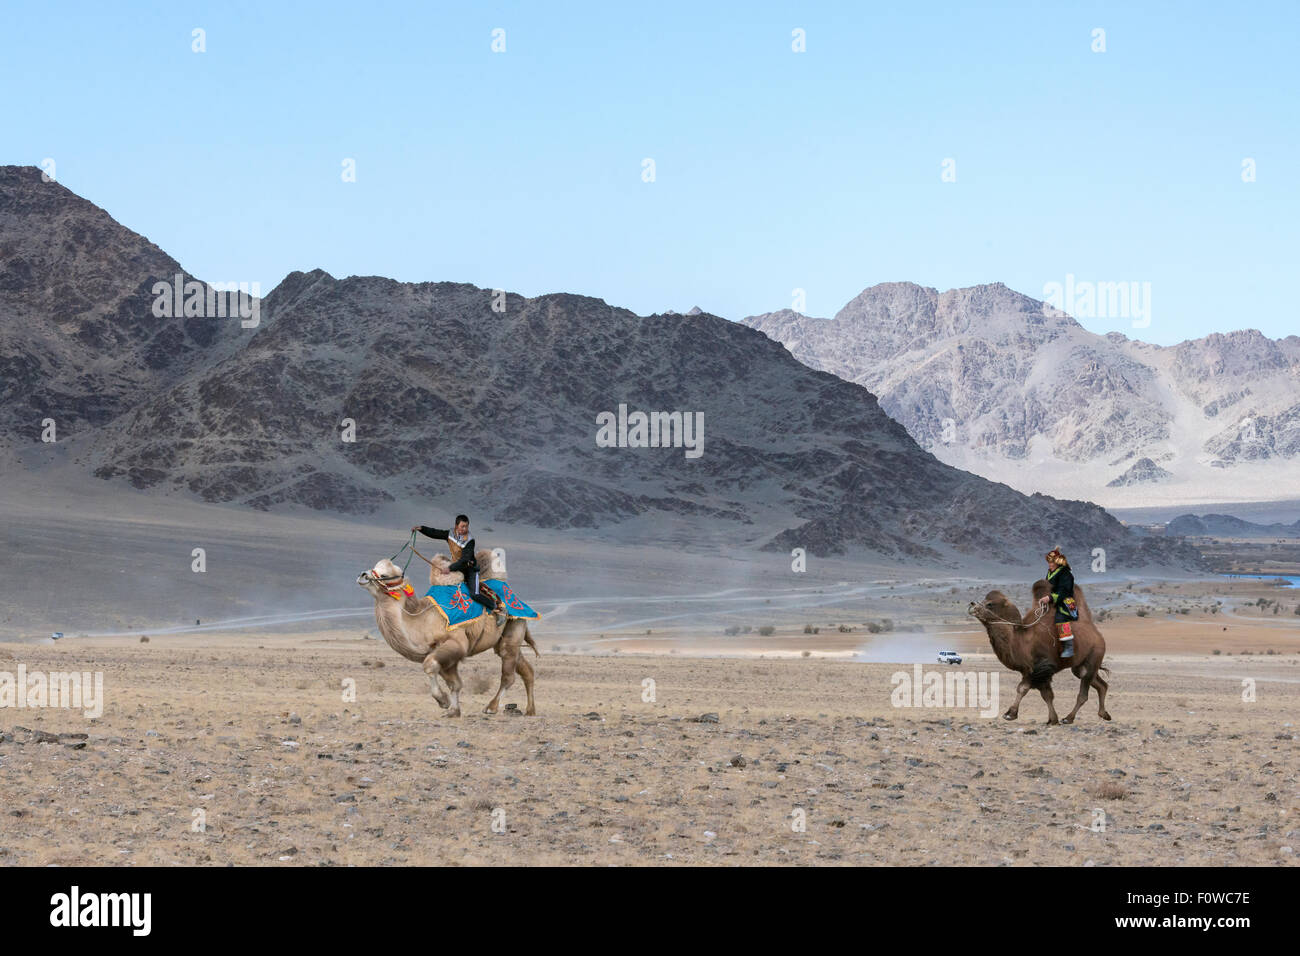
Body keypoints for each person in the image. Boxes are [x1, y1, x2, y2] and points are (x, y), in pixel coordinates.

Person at [412, 515, 504, 622]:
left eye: (466, 526)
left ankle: (495, 607)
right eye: (462, 526)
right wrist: (422, 529)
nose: (464, 529)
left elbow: (465, 559)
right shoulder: (450, 534)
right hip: (457, 568)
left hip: (470, 570)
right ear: (456, 526)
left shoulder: (470, 540)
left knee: (474, 594)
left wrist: (450, 568)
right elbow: (435, 533)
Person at [1037, 546, 1078, 659]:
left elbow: (1064, 591)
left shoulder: (1066, 574)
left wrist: (1050, 598)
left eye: (1052, 562)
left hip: (1065, 601)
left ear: (1058, 562)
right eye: (1049, 562)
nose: (1050, 564)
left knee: (1060, 618)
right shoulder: (1050, 572)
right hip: (1051, 600)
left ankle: (1069, 647)